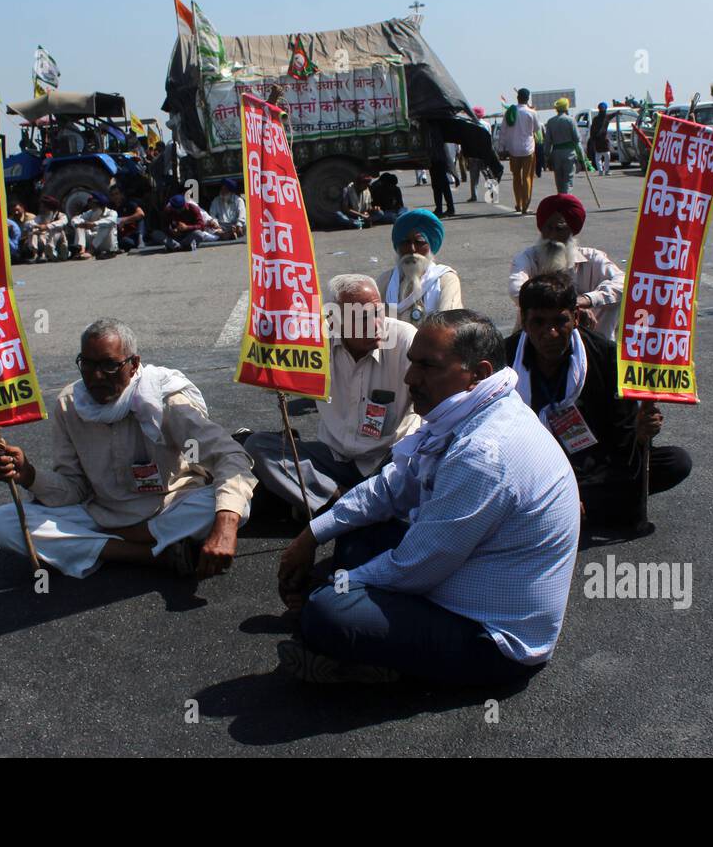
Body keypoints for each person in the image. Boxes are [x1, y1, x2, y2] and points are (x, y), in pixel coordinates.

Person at [274, 310, 580, 685]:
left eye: (426, 367)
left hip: (494, 638)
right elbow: (391, 486)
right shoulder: (476, 411)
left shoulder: (483, 453)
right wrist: (312, 533)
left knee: (327, 610)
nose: (409, 378)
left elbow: (415, 567)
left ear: (478, 374)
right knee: (357, 535)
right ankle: (367, 652)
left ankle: (380, 666)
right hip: (461, 574)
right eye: (410, 363)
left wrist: (338, 586)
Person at [0, 319, 256, 579]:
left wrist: (225, 527)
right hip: (102, 512)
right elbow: (74, 488)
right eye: (87, 365)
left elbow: (231, 456)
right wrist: (29, 475)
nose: (96, 376)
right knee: (4, 522)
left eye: (108, 365)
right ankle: (151, 555)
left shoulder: (166, 401)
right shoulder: (70, 404)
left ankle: (110, 544)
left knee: (232, 509)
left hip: (170, 508)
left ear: (133, 364)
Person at [505, 273, 691, 536]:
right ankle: (567, 507)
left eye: (560, 321)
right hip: (529, 470)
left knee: (675, 462)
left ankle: (560, 509)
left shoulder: (608, 358)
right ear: (524, 321)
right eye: (539, 322)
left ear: (576, 319)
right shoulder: (503, 359)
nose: (551, 333)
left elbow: (621, 439)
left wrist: (640, 434)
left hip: (591, 467)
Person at [244, 275, 420, 520]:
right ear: (336, 322)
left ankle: (329, 505)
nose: (376, 325)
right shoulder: (315, 344)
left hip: (386, 460)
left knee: (418, 467)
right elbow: (270, 379)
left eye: (379, 312)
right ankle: (347, 501)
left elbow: (433, 404)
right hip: (334, 458)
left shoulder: (404, 339)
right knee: (257, 446)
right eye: (363, 319)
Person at [507, 194, 624, 340]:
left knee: (611, 298)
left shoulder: (592, 257)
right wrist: (569, 307)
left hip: (589, 339)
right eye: (548, 228)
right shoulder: (527, 258)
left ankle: (599, 350)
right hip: (539, 341)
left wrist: (587, 301)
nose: (552, 235)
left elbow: (623, 282)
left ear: (571, 231)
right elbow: (516, 290)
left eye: (559, 229)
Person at [377, 209, 462, 326]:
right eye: (406, 242)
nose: (412, 249)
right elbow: (369, 324)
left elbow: (449, 326)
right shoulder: (386, 280)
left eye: (419, 242)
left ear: (430, 246)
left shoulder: (446, 279)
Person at [499, 88, 542, 212]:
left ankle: (518, 203)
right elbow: (536, 129)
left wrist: (501, 147)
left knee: (516, 177)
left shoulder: (510, 111)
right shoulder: (531, 112)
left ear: (517, 98)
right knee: (527, 177)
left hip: (513, 149)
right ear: (527, 99)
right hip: (528, 149)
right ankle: (525, 205)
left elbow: (503, 131)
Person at [544, 98, 581, 194]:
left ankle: (561, 200)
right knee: (568, 181)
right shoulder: (570, 120)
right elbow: (577, 140)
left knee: (559, 182)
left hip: (556, 154)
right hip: (569, 153)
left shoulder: (551, 121)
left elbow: (547, 142)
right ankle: (567, 202)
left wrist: (546, 156)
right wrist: (582, 157)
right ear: (566, 108)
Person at [68, 192, 118, 260]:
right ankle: (80, 250)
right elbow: (75, 219)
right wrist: (79, 224)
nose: (91, 206)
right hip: (93, 240)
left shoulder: (112, 213)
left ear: (100, 204)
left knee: (106, 226)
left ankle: (90, 251)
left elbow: (111, 221)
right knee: (80, 225)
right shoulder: (91, 212)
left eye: (93, 204)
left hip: (107, 244)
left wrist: (94, 224)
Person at [107, 175, 147, 251]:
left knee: (140, 219)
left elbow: (141, 213)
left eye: (117, 194)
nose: (115, 196)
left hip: (134, 232)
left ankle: (140, 239)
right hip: (121, 234)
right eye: (113, 195)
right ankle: (136, 244)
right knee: (125, 242)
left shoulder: (128, 203)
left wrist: (124, 220)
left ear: (121, 195)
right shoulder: (110, 207)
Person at [25, 194, 69, 262]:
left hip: (58, 239)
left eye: (43, 206)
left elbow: (62, 222)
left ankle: (51, 252)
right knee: (34, 230)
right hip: (44, 238)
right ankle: (36, 255)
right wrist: (37, 226)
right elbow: (28, 224)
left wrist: (47, 226)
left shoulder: (60, 215)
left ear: (50, 207)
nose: (41, 208)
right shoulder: (41, 216)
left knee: (58, 230)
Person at [426, 122, 456, 218]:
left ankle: (448, 208)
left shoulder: (432, 128)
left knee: (442, 186)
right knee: (438, 186)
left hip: (437, 160)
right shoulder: (434, 127)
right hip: (436, 159)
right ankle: (440, 208)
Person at [588, 102, 612, 177]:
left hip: (603, 140)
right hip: (598, 140)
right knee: (599, 156)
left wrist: (617, 113)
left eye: (603, 108)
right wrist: (592, 139)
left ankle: (605, 170)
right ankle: (601, 171)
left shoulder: (605, 117)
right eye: (601, 108)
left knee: (606, 155)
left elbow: (613, 115)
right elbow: (592, 130)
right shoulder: (596, 119)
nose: (602, 110)